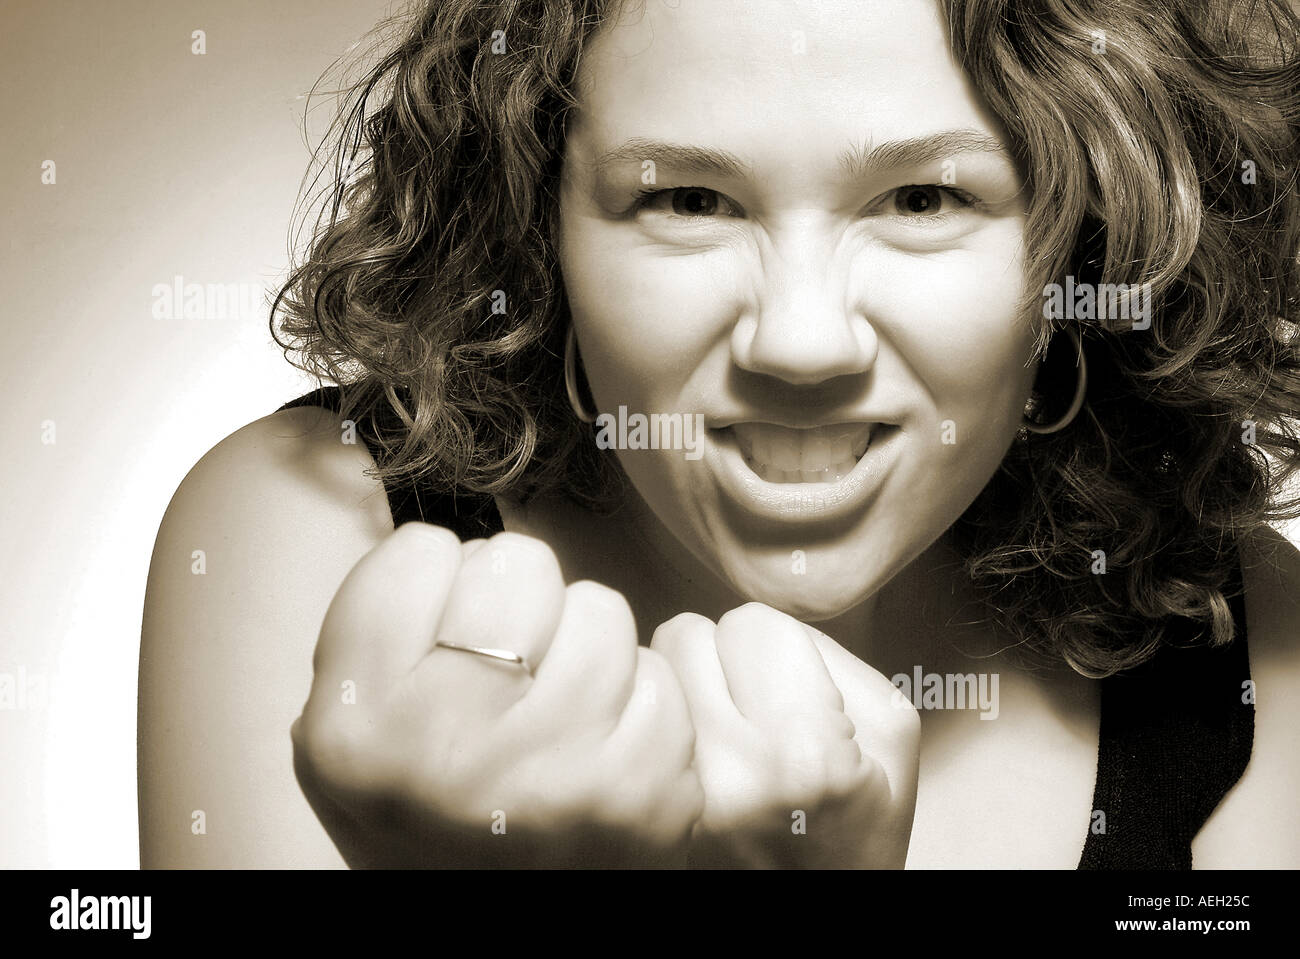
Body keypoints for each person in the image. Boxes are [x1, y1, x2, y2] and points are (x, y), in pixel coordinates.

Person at [138, 0, 1300, 868]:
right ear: (536, 232)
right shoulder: (308, 528)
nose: (800, 344)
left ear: (1083, 243)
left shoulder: (1246, 640)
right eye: (687, 201)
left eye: (924, 200)